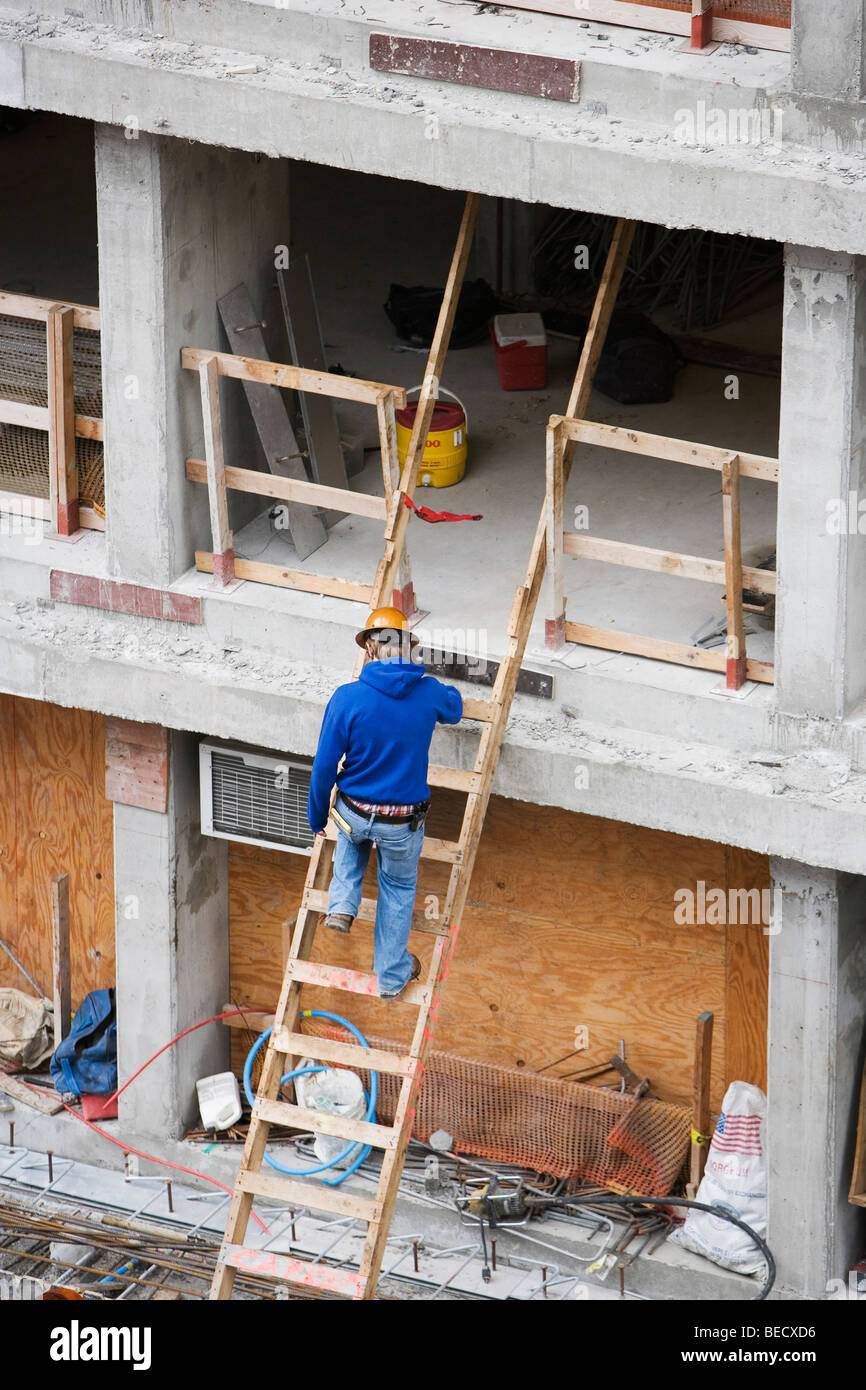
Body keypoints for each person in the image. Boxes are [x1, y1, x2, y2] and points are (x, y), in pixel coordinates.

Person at [307, 607, 463, 999]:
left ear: (371, 649)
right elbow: (455, 710)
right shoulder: (428, 692)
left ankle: (342, 905)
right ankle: (392, 979)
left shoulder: (347, 698)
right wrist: (450, 692)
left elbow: (325, 765)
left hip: (354, 811)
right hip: (402, 823)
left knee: (349, 833)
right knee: (396, 887)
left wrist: (315, 817)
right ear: (408, 648)